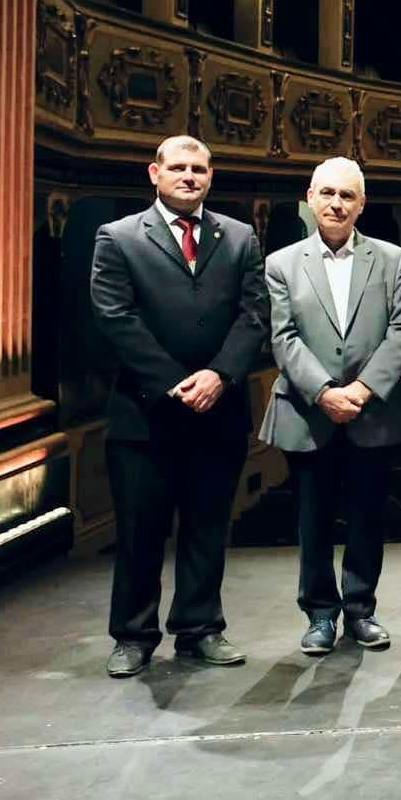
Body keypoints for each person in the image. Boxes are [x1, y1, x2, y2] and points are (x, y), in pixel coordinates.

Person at [89, 136, 268, 677]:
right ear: (155, 173)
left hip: (220, 409)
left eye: (199, 169)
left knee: (207, 528)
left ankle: (200, 628)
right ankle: (133, 636)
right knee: (140, 531)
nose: (189, 176)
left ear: (211, 177)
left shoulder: (238, 237)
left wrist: (220, 375)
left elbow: (255, 314)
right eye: (178, 168)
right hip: (145, 414)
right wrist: (174, 383)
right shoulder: (118, 237)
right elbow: (114, 317)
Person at [260, 157, 401, 656]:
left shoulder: (394, 259)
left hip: (374, 410)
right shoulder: (281, 263)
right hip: (309, 411)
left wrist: (363, 390)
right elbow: (283, 338)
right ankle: (320, 614)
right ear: (310, 198)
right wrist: (325, 391)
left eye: (347, 195)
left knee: (369, 516)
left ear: (361, 204)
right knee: (313, 519)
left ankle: (361, 611)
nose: (336, 203)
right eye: (327, 193)